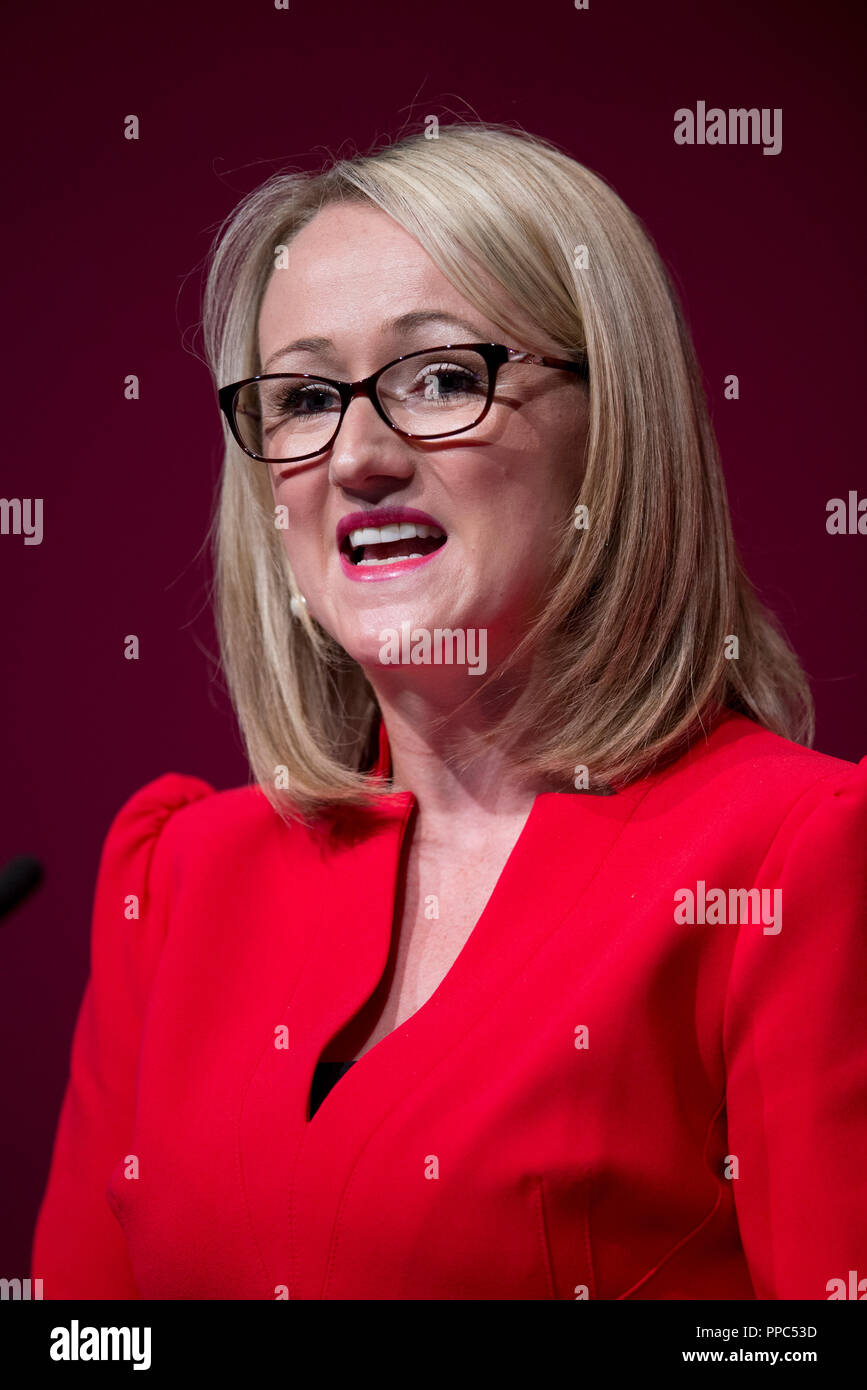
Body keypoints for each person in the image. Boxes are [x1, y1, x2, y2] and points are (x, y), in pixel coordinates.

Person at [32, 121, 867, 1300]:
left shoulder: (803, 861)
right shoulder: (177, 883)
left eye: (440, 378)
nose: (357, 455)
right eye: (305, 398)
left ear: (614, 427)